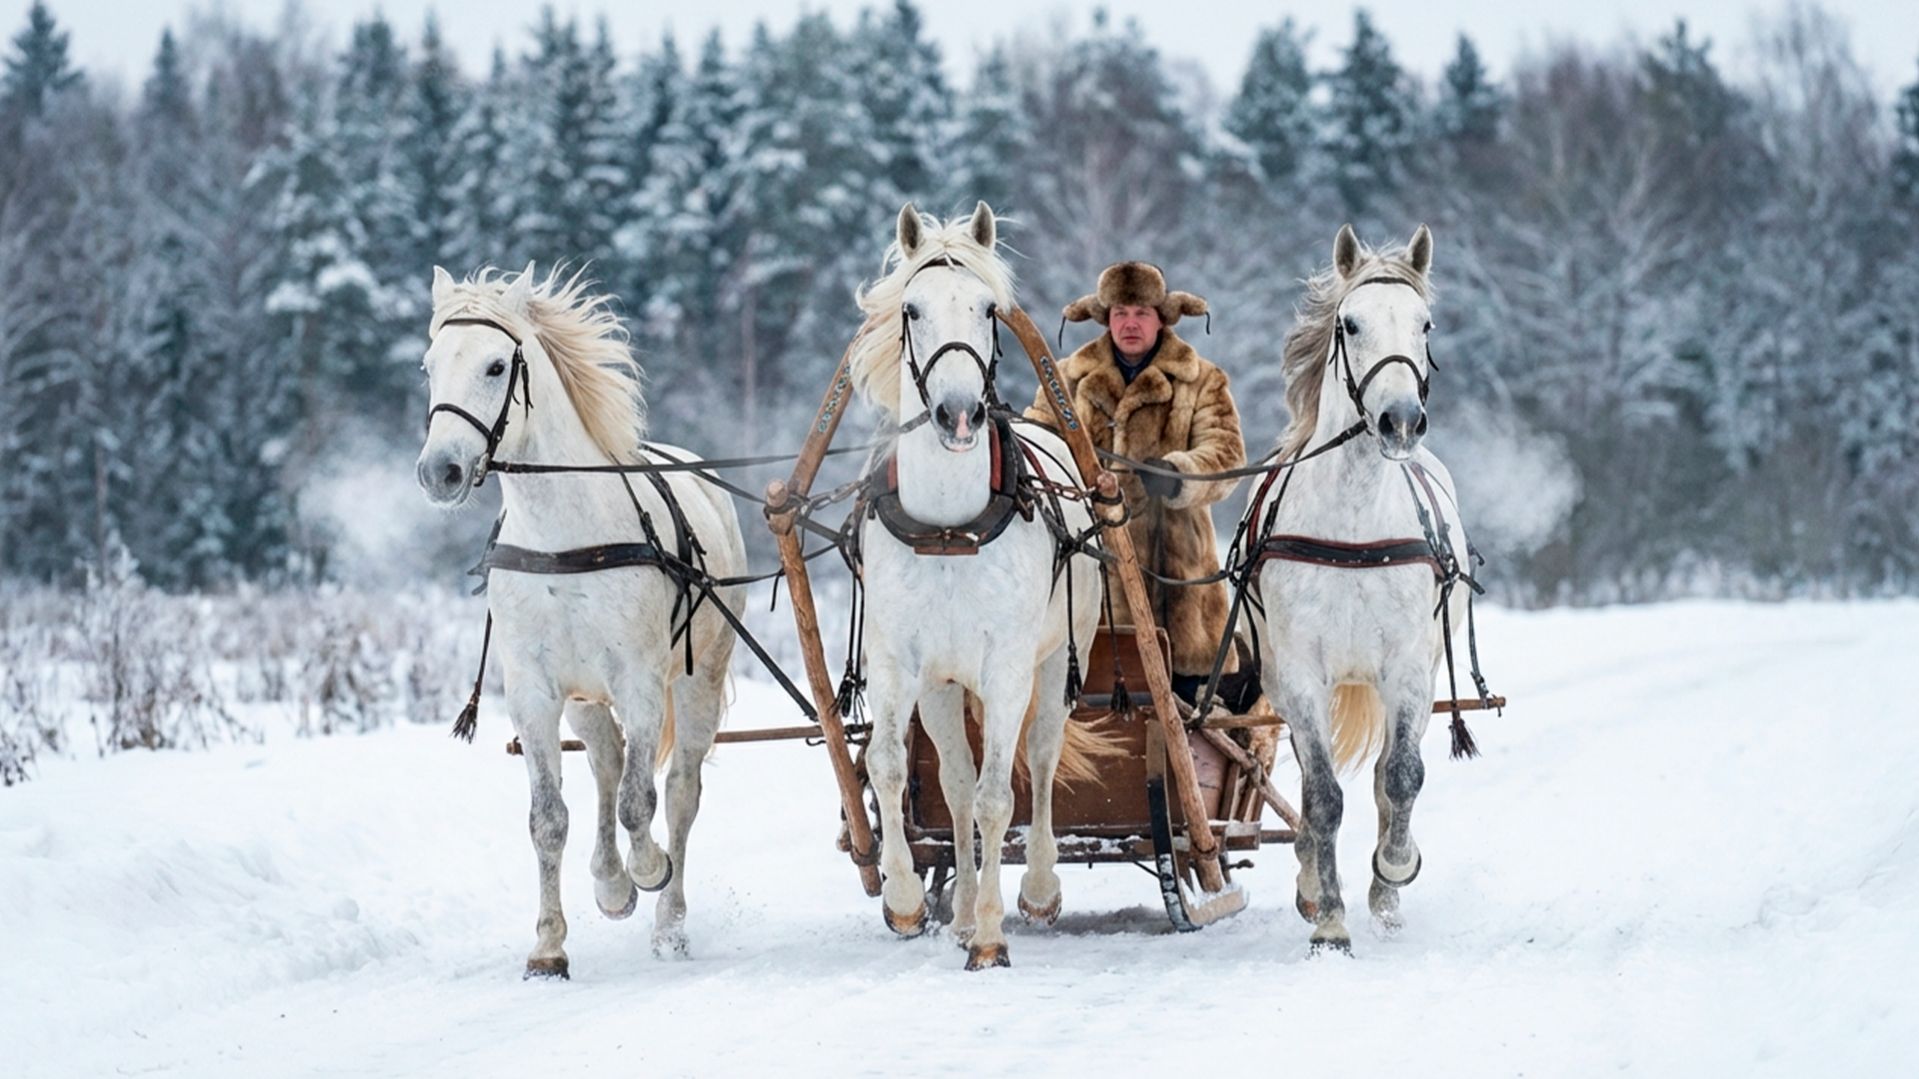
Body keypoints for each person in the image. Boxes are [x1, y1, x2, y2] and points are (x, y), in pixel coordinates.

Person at [1027, 262, 1248, 704]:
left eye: (1142, 313)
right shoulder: (1066, 380)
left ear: (1162, 317)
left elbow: (1227, 454)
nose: (1130, 323)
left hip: (1178, 580)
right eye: (1121, 313)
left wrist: (1178, 473)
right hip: (1085, 572)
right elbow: (1035, 445)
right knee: (1078, 701)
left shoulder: (1202, 379)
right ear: (1106, 318)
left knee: (1183, 709)